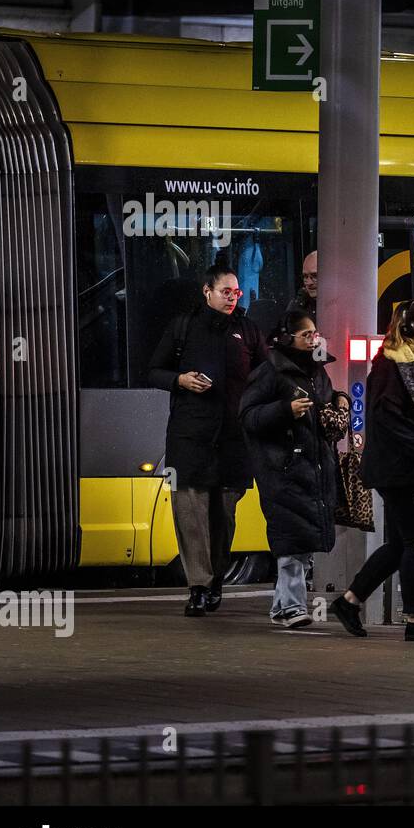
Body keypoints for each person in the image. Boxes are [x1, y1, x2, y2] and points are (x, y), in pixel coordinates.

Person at [328, 300, 414, 642]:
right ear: (406, 327)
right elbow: (387, 420)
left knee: (404, 542)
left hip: (409, 469)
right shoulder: (391, 365)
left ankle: (349, 601)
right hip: (401, 470)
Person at [147, 263, 269, 617]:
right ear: (207, 291)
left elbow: (267, 373)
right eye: (225, 292)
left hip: (233, 437)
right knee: (191, 514)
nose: (232, 298)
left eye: (236, 292)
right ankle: (198, 586)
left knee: (224, 517)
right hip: (190, 436)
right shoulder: (183, 327)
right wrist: (181, 380)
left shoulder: (247, 330)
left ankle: (215, 577)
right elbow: (154, 370)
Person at [239, 311, 348, 628]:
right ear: (287, 338)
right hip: (283, 471)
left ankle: (281, 606)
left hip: (313, 469)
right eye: (307, 335)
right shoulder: (270, 372)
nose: (314, 339)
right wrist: (285, 410)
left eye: (316, 333)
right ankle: (292, 608)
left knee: (301, 543)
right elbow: (248, 417)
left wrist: (339, 399)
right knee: (291, 544)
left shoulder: (317, 371)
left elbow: (324, 402)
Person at [287, 250, 317, 321]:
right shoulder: (297, 306)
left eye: (315, 276)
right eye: (305, 276)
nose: (309, 283)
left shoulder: (343, 303)